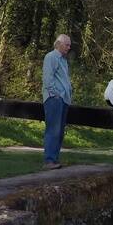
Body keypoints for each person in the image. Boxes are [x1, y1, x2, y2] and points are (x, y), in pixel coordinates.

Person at [42, 34, 73, 170]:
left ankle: (54, 159)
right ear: (59, 44)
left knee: (59, 131)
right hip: (55, 99)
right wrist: (56, 95)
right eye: (67, 45)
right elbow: (48, 79)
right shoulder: (51, 57)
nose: (69, 47)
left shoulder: (63, 60)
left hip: (64, 99)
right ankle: (49, 160)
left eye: (69, 45)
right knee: (53, 130)